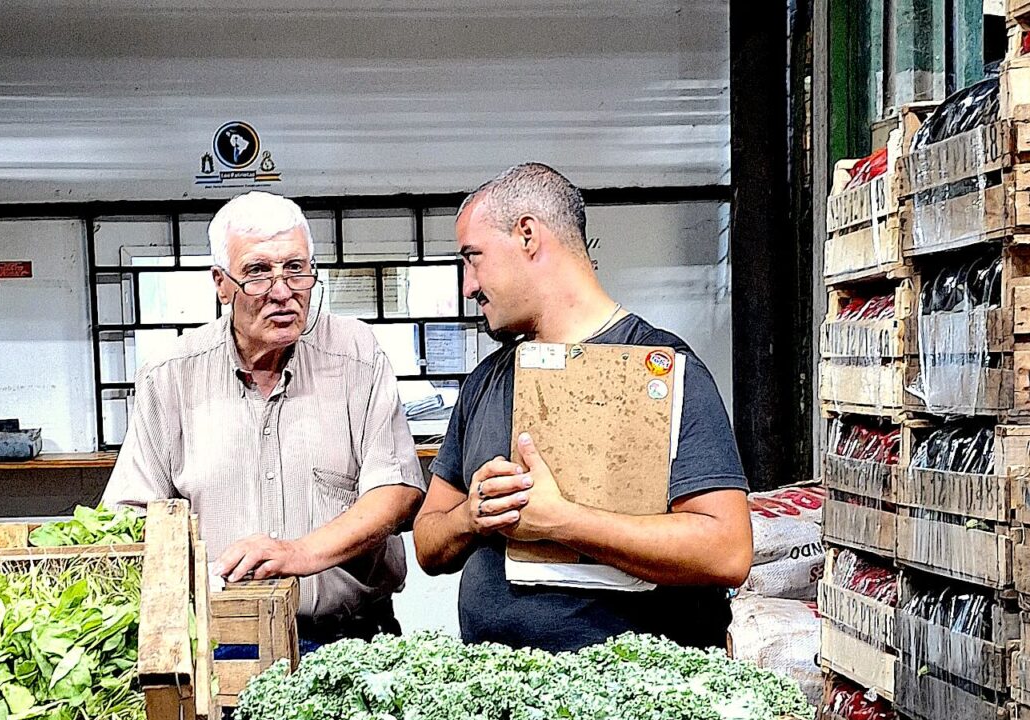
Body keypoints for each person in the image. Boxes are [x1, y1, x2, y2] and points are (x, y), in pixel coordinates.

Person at [413, 162, 752, 653]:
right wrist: (472, 514)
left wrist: (560, 521)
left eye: (473, 257)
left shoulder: (664, 370)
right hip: (497, 696)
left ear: (528, 235)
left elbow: (726, 550)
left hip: (625, 707)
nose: (468, 286)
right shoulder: (485, 382)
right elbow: (427, 541)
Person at [103, 191, 426, 645]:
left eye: (296, 269)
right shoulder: (170, 377)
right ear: (220, 283)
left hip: (350, 638)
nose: (282, 292)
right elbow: (134, 518)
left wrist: (296, 553)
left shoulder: (356, 356)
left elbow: (397, 492)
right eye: (257, 272)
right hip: (220, 643)